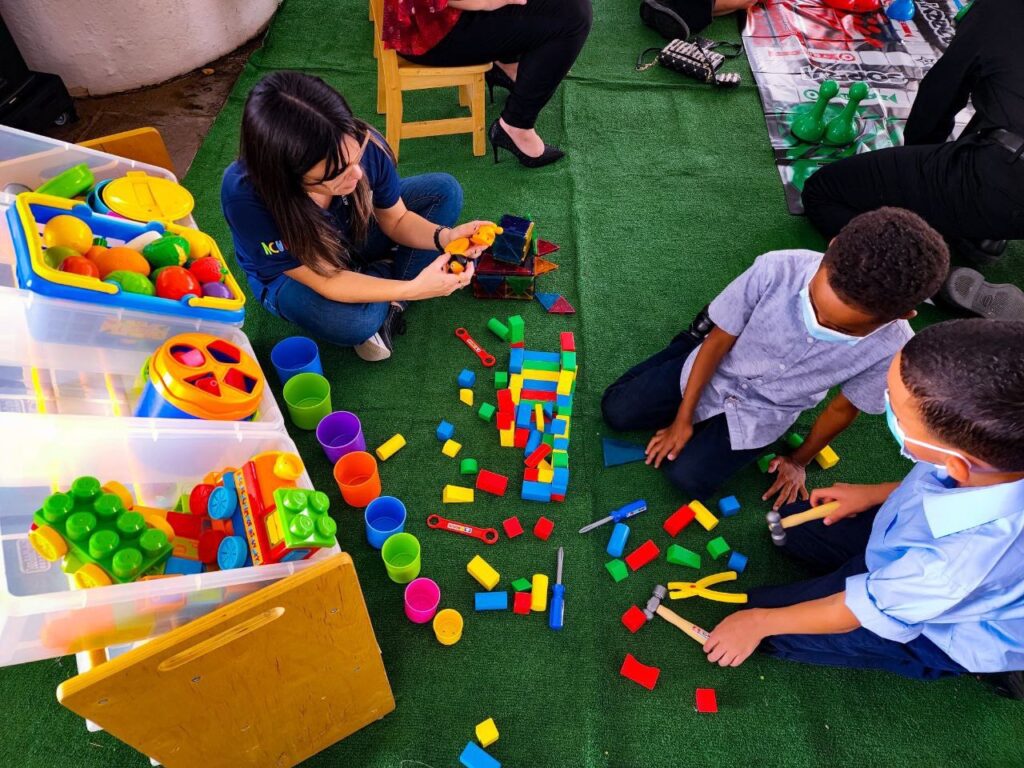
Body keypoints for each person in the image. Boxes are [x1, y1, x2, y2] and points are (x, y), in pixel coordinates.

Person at [704, 319, 1024, 699]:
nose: (885, 405)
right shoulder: (983, 463)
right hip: (912, 542)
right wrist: (874, 494)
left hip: (936, 622)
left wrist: (759, 623)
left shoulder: (955, 566)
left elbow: (858, 611)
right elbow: (938, 479)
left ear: (956, 462)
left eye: (896, 411)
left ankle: (985, 671)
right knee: (793, 525)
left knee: (764, 621)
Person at [601, 207, 949, 508]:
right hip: (717, 363)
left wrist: (799, 461)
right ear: (832, 249)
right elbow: (720, 341)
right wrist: (683, 417)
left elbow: (843, 408)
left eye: (842, 329)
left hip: (768, 411)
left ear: (902, 315)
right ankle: (688, 339)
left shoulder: (894, 348)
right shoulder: (776, 269)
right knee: (617, 410)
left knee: (688, 480)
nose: (820, 325)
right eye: (815, 306)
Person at [221, 71, 493, 361]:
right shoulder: (246, 196)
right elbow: (327, 280)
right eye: (335, 174)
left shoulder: (364, 144)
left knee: (444, 191)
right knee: (351, 323)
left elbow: (397, 220)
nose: (357, 174)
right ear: (287, 177)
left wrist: (445, 237)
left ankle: (383, 292)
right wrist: (414, 289)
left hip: (350, 233)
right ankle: (390, 278)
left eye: (355, 157)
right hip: (300, 273)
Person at [801, 0, 1024, 321]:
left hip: (1000, 179)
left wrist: (923, 168)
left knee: (823, 191)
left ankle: (934, 281)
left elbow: (940, 96)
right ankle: (979, 233)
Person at [382, 0, 592, 167]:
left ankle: (507, 64)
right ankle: (516, 125)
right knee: (575, 15)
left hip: (437, 18)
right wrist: (488, 2)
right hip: (431, 31)